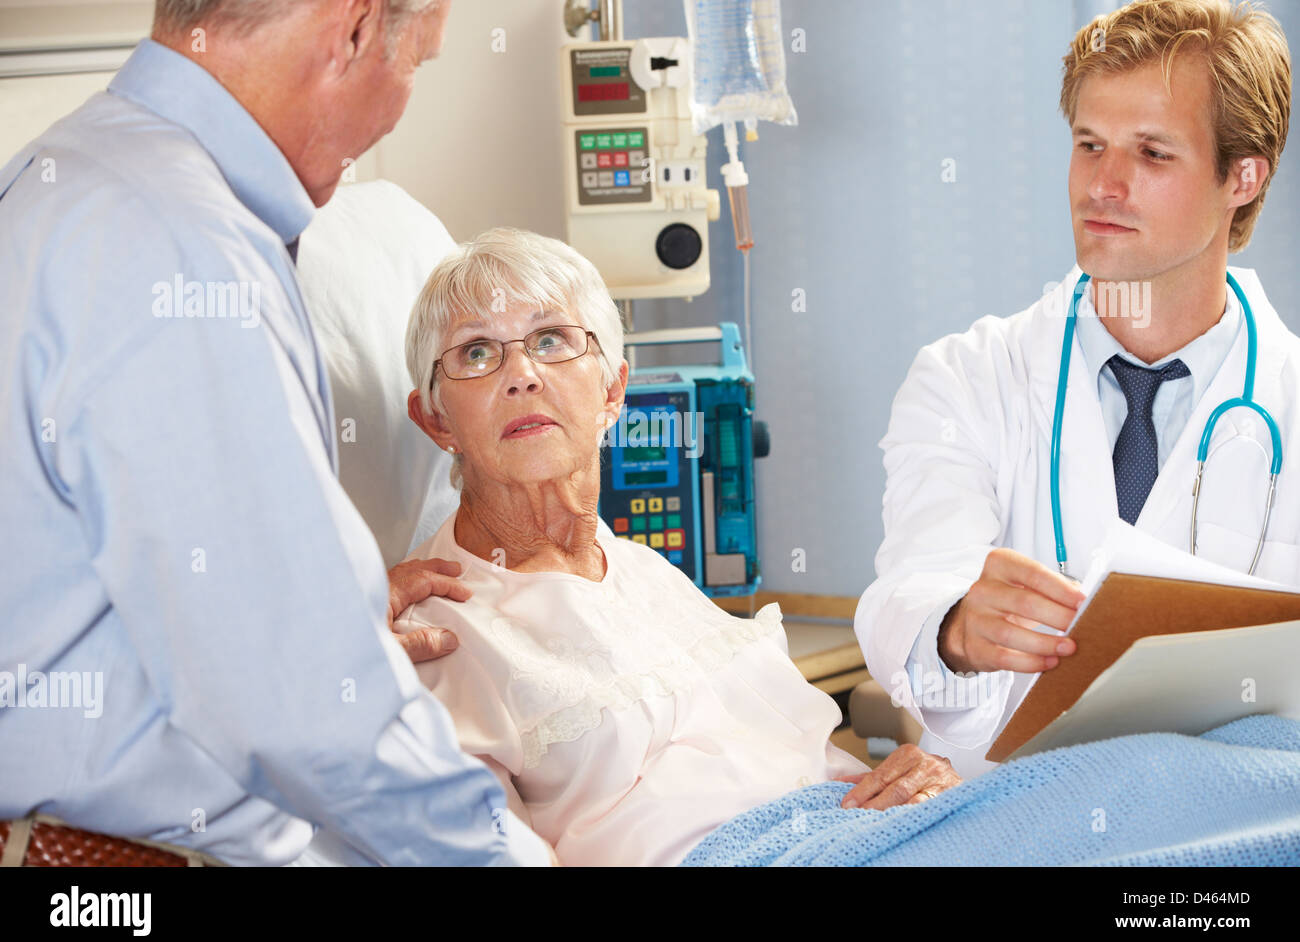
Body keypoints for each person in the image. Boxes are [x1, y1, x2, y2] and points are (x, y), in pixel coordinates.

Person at [0, 0, 555, 866]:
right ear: (356, 30)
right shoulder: (184, 252)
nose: (401, 103)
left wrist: (329, 615)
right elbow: (302, 709)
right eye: (418, 63)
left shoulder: (66, 176)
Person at [395, 226, 962, 867]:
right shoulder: (435, 634)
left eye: (550, 339)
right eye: (475, 352)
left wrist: (907, 788)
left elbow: (802, 762)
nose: (522, 374)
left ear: (612, 392)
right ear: (436, 420)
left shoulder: (648, 575)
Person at [856, 0, 1298, 780]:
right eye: (1089, 144)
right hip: (1017, 825)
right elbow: (910, 592)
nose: (1104, 184)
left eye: (1152, 154)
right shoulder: (966, 380)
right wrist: (957, 627)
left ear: (1244, 175)